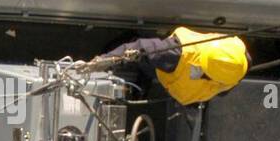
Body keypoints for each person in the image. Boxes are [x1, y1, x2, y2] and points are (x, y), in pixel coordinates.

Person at [98, 27, 249, 105]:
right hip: (167, 69)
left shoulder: (236, 66)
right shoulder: (176, 54)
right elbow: (138, 48)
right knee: (144, 61)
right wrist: (101, 62)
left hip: (182, 88)